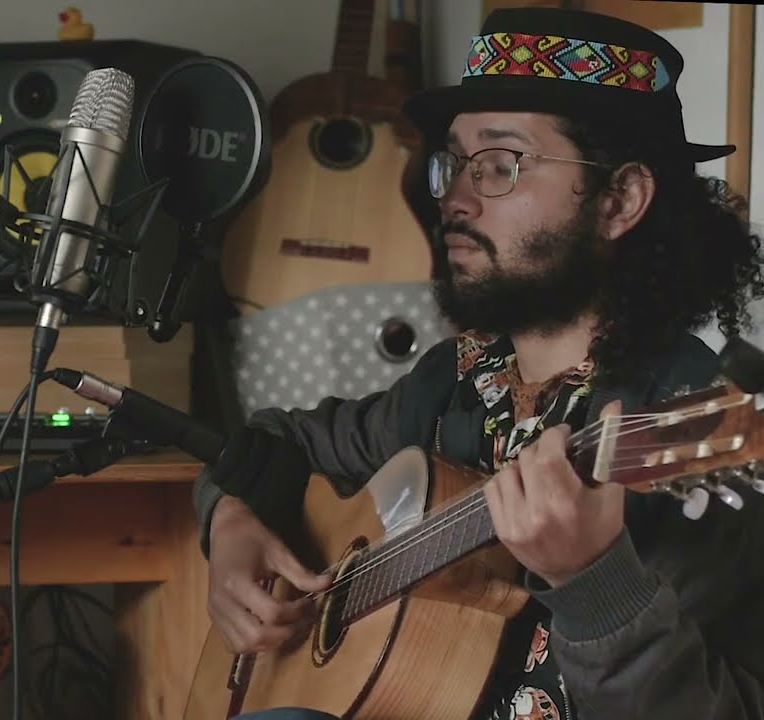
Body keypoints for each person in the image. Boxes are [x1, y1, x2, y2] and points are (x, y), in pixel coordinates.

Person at [194, 6, 764, 720]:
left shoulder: (697, 428)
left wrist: (596, 583)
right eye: (455, 164)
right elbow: (273, 442)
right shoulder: (451, 382)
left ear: (619, 200)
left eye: (500, 165)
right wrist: (230, 521)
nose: (455, 200)